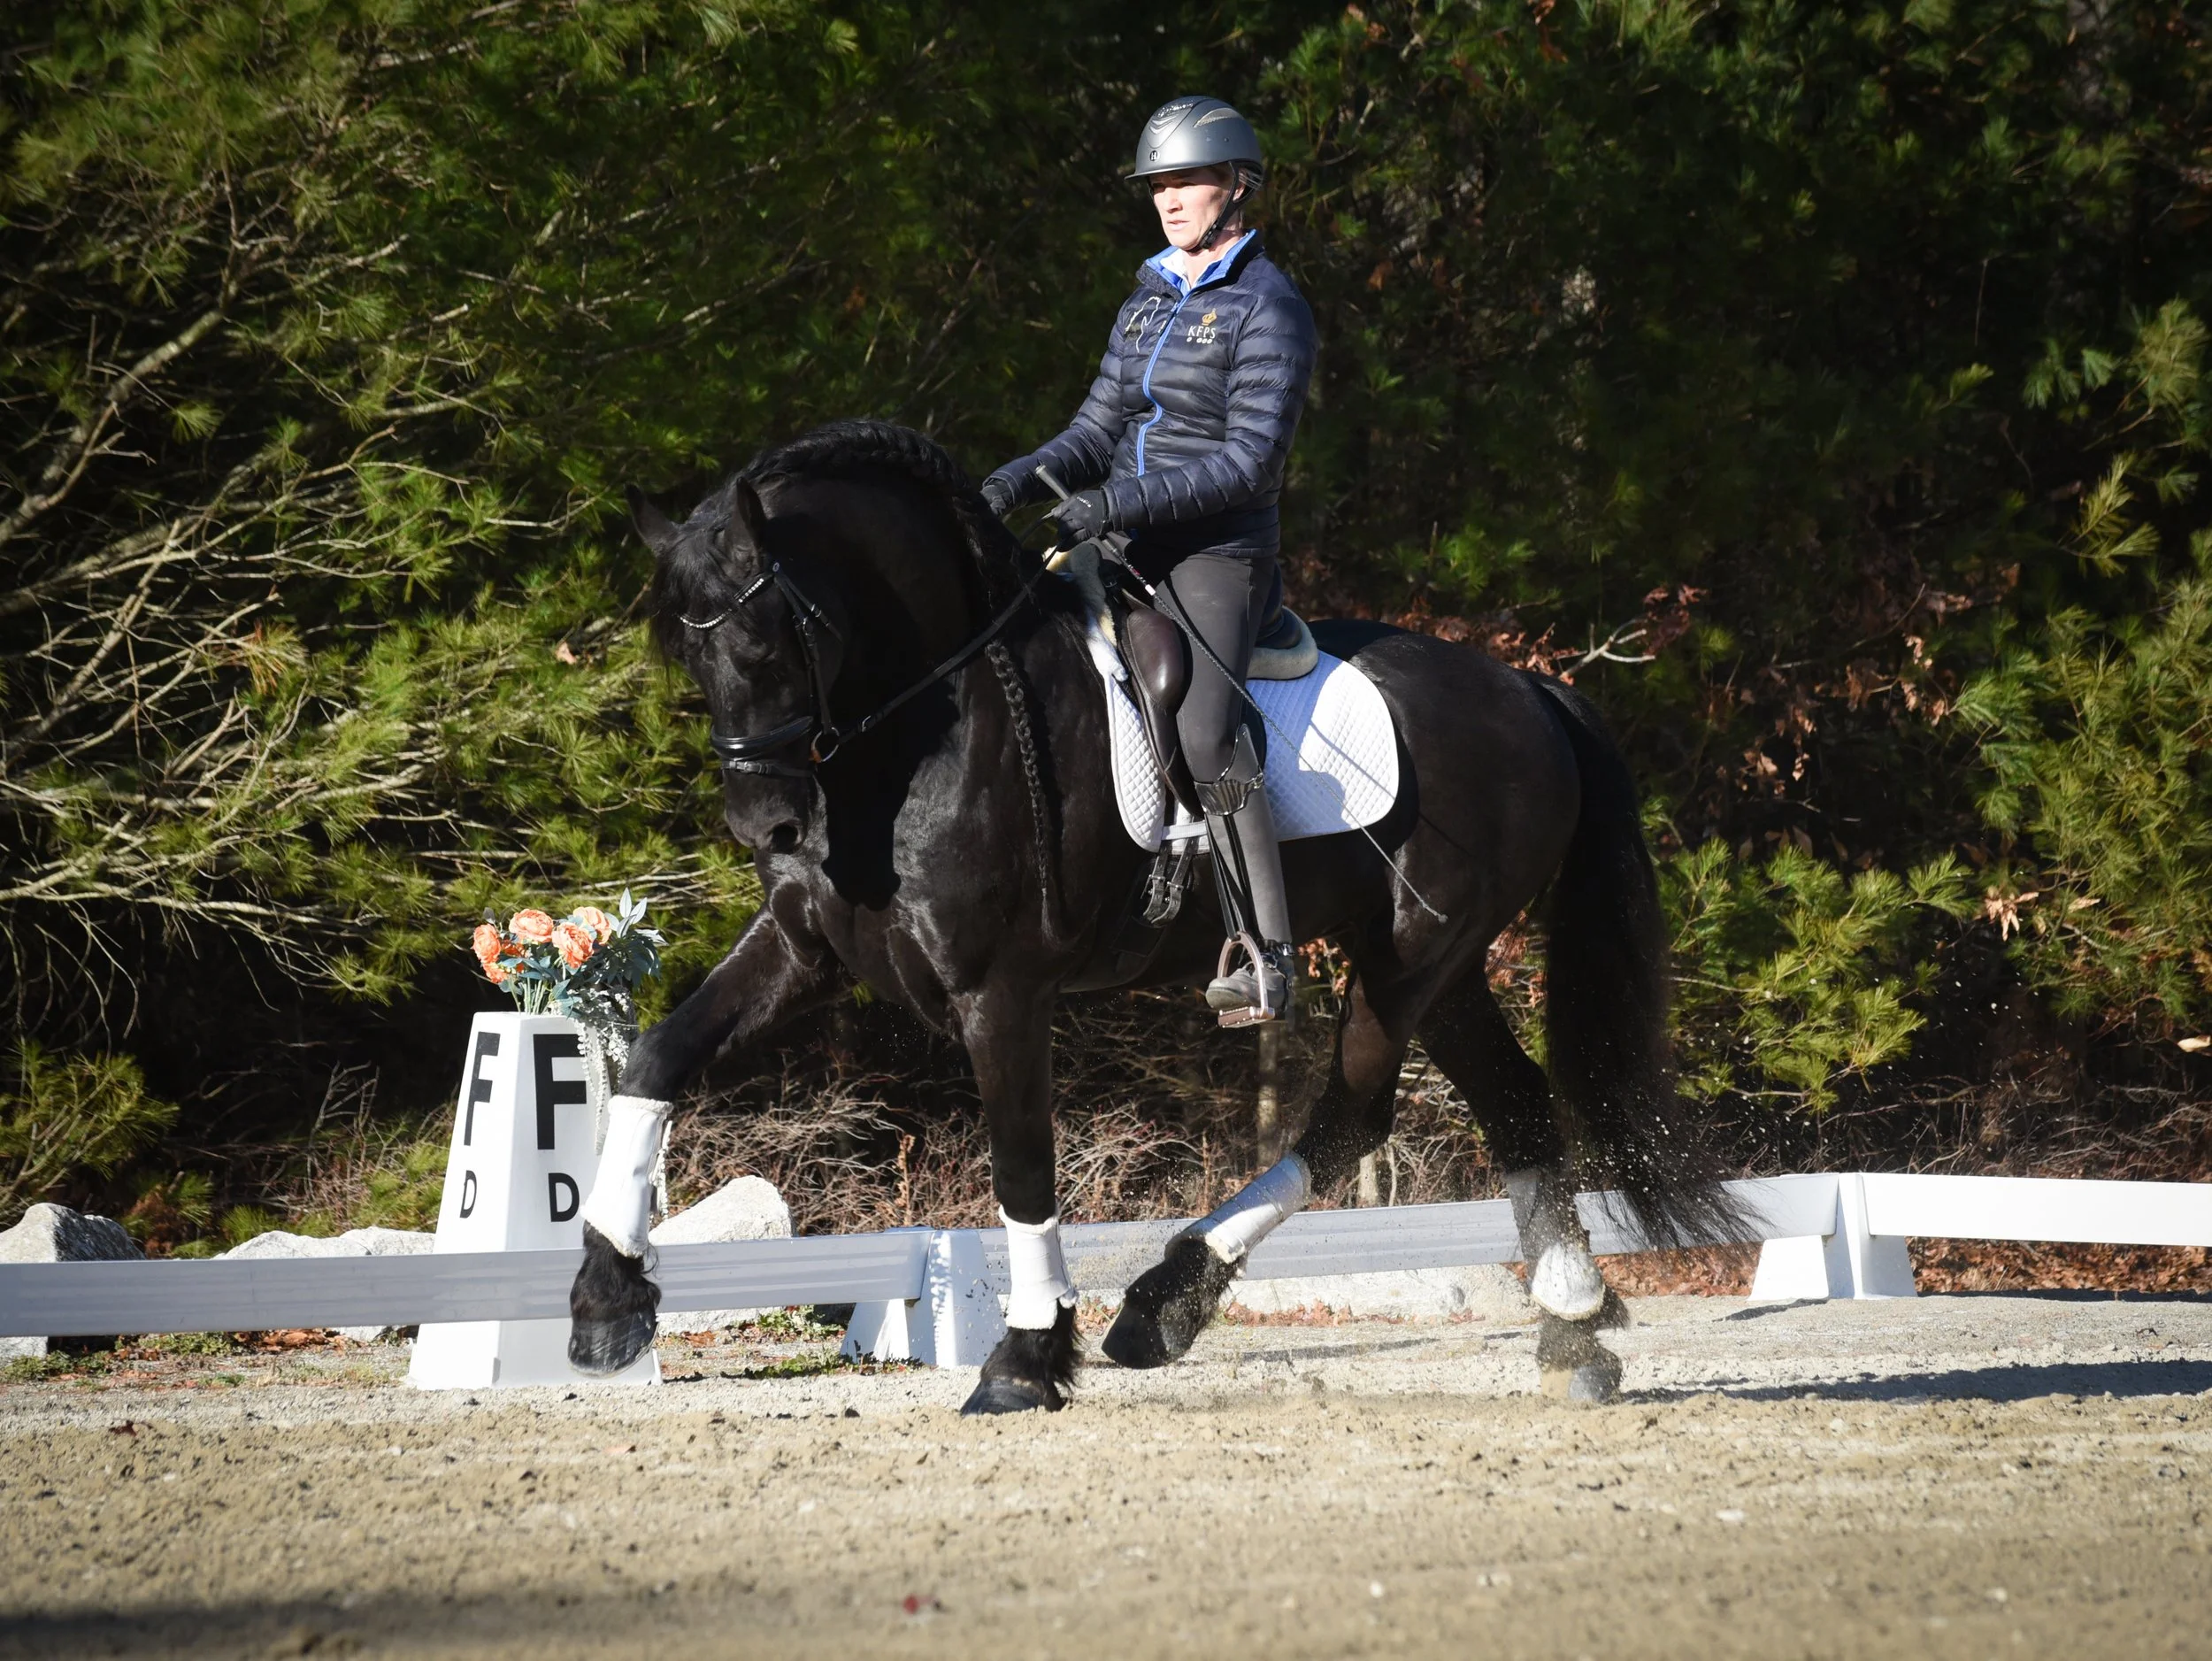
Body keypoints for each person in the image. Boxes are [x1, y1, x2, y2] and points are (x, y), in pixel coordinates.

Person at [982, 96, 1317, 1026]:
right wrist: (1010, 481)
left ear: (1236, 186)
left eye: (1186, 181)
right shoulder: (1147, 300)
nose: (1168, 199)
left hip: (1217, 552)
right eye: (1157, 185)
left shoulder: (1270, 308)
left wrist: (1111, 504)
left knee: (1207, 731)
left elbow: (1248, 462)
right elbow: (1096, 429)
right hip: (1120, 539)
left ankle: (1267, 954)